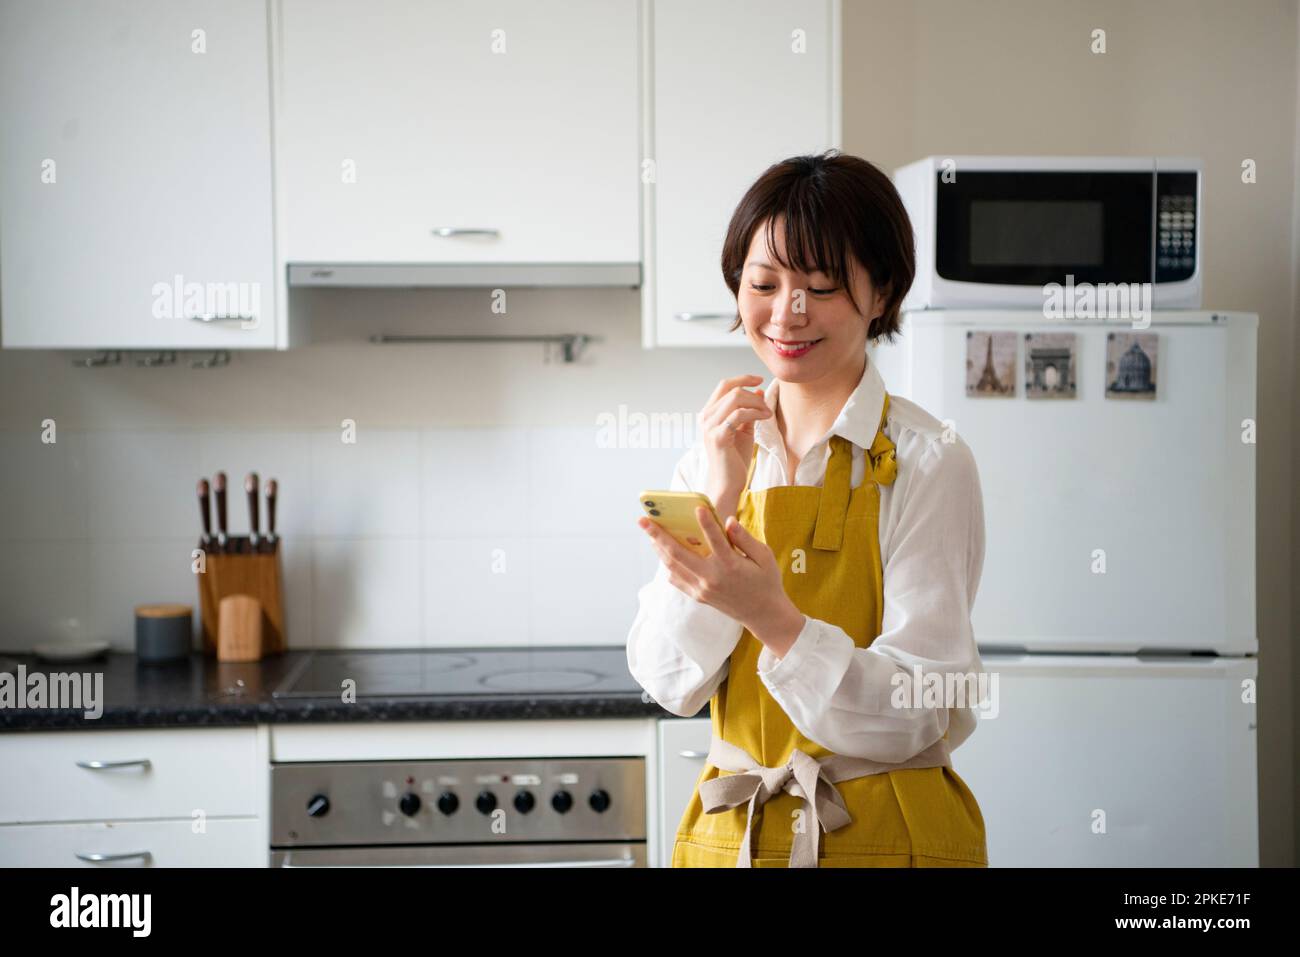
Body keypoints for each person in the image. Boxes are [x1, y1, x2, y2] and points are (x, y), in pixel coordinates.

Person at [626, 150, 989, 868]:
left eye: (820, 286)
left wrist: (774, 619)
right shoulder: (715, 452)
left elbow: (922, 705)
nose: (786, 312)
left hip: (887, 839)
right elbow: (667, 681)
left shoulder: (928, 459)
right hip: (736, 835)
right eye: (763, 283)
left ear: (880, 293)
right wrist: (719, 496)